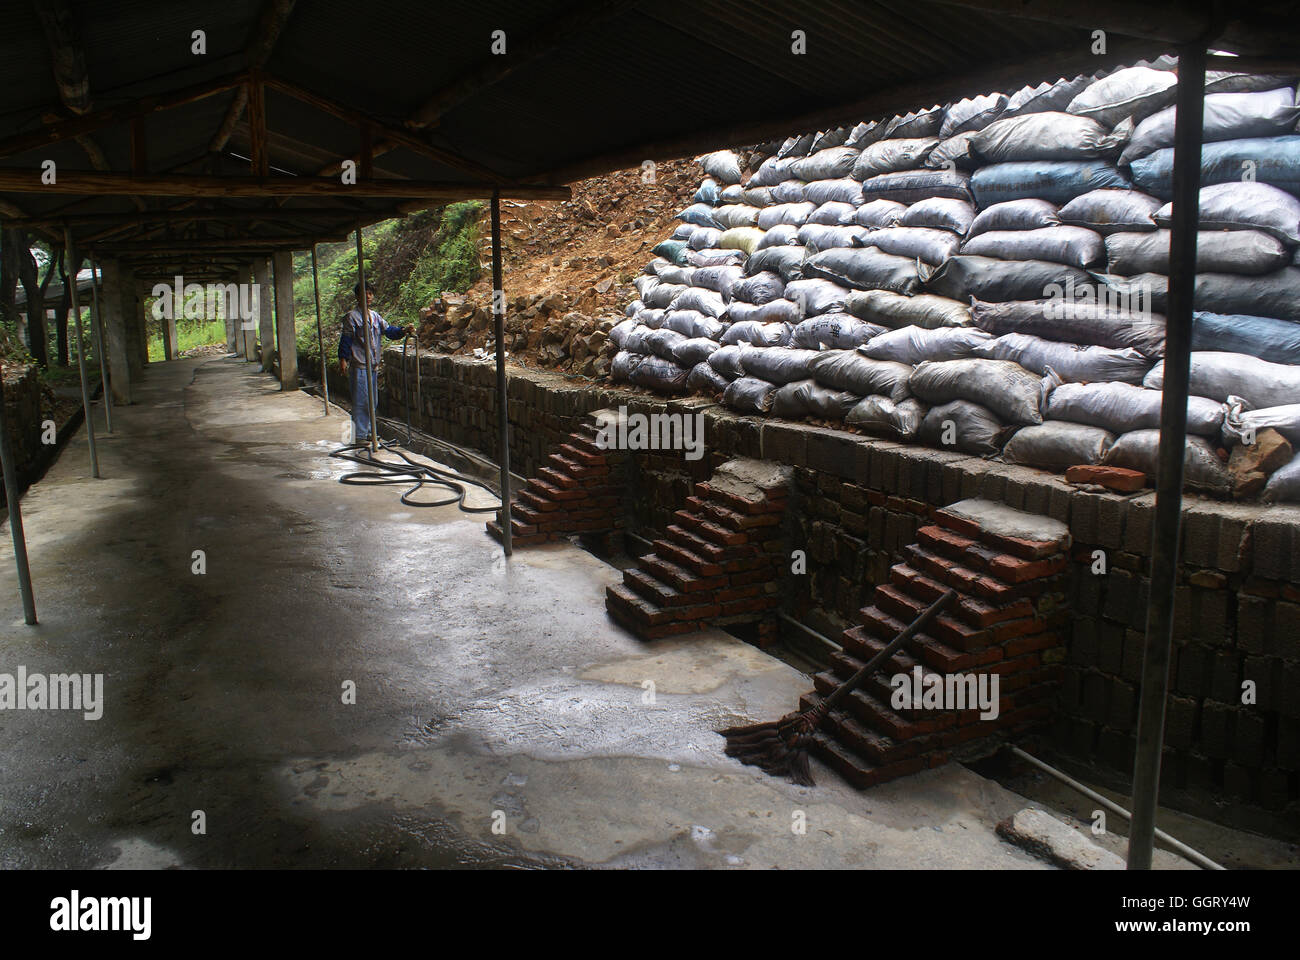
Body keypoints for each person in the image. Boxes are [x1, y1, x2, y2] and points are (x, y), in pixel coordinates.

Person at [338, 281, 411, 444]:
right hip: (359, 365)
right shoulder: (352, 317)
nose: (368, 296)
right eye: (364, 293)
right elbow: (346, 340)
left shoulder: (375, 317)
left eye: (370, 293)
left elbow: (389, 331)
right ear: (357, 297)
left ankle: (370, 432)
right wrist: (343, 359)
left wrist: (403, 330)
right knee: (361, 400)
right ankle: (360, 436)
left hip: (372, 365)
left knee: (372, 401)